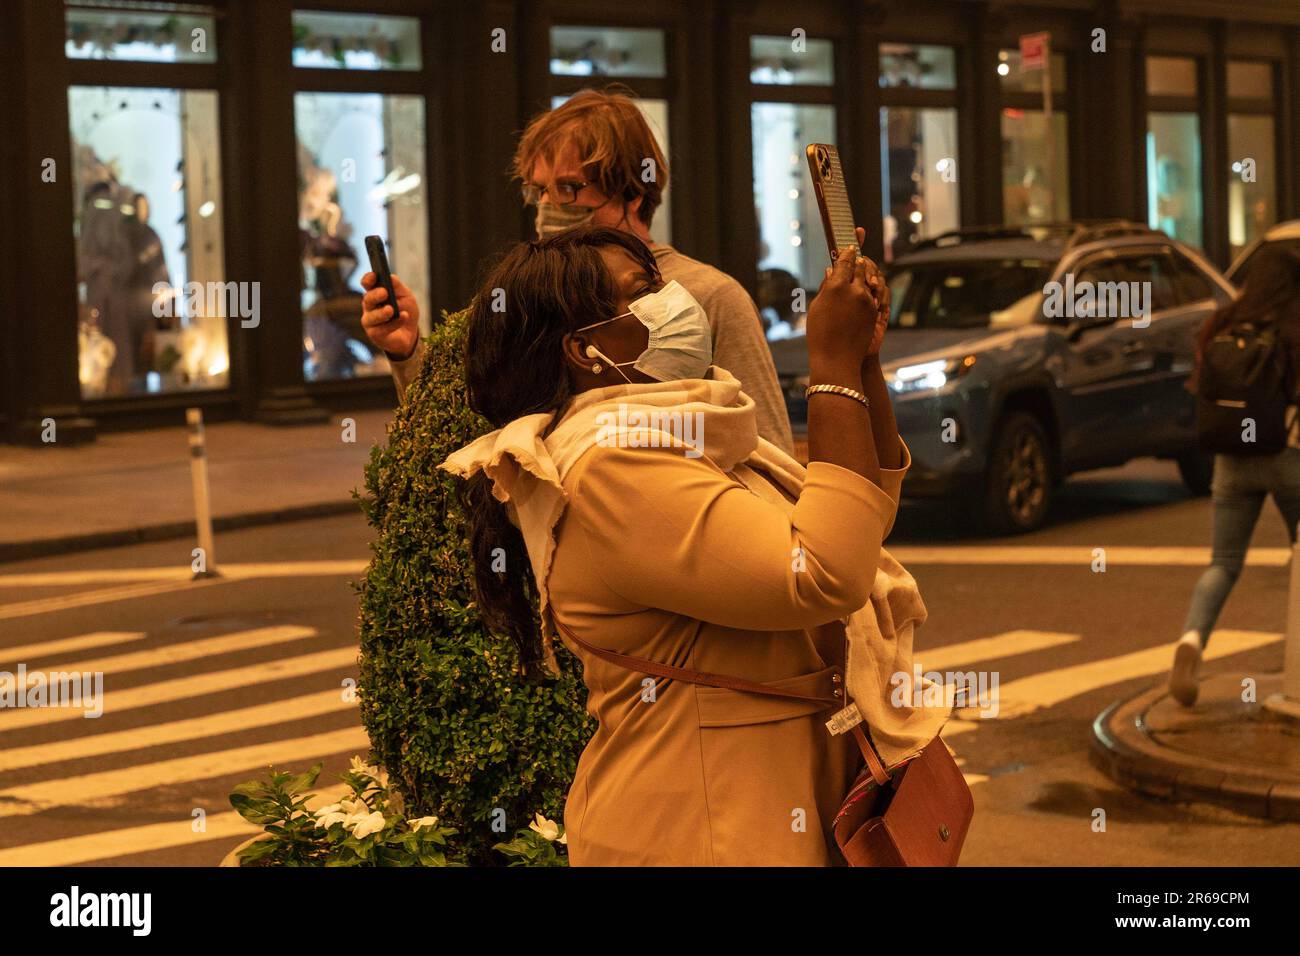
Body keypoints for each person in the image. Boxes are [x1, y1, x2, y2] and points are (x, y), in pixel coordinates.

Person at [439, 224, 949, 865]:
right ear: (584, 351)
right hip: (700, 828)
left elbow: (852, 526)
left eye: (658, 282)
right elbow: (822, 572)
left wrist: (863, 364)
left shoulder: (679, 432)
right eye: (641, 292)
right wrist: (833, 367)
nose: (672, 299)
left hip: (760, 806)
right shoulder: (609, 467)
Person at [360, 87, 795, 454]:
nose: (549, 207)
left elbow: (768, 450)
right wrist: (406, 350)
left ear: (633, 192)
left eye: (569, 187)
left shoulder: (708, 295)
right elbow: (457, 429)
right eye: (539, 190)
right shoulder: (527, 289)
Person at [1170, 245, 1300, 706]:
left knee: (1223, 564)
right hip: (1288, 456)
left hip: (1232, 460)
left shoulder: (1221, 324)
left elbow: (1200, 387)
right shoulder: (1293, 326)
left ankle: (1189, 644)